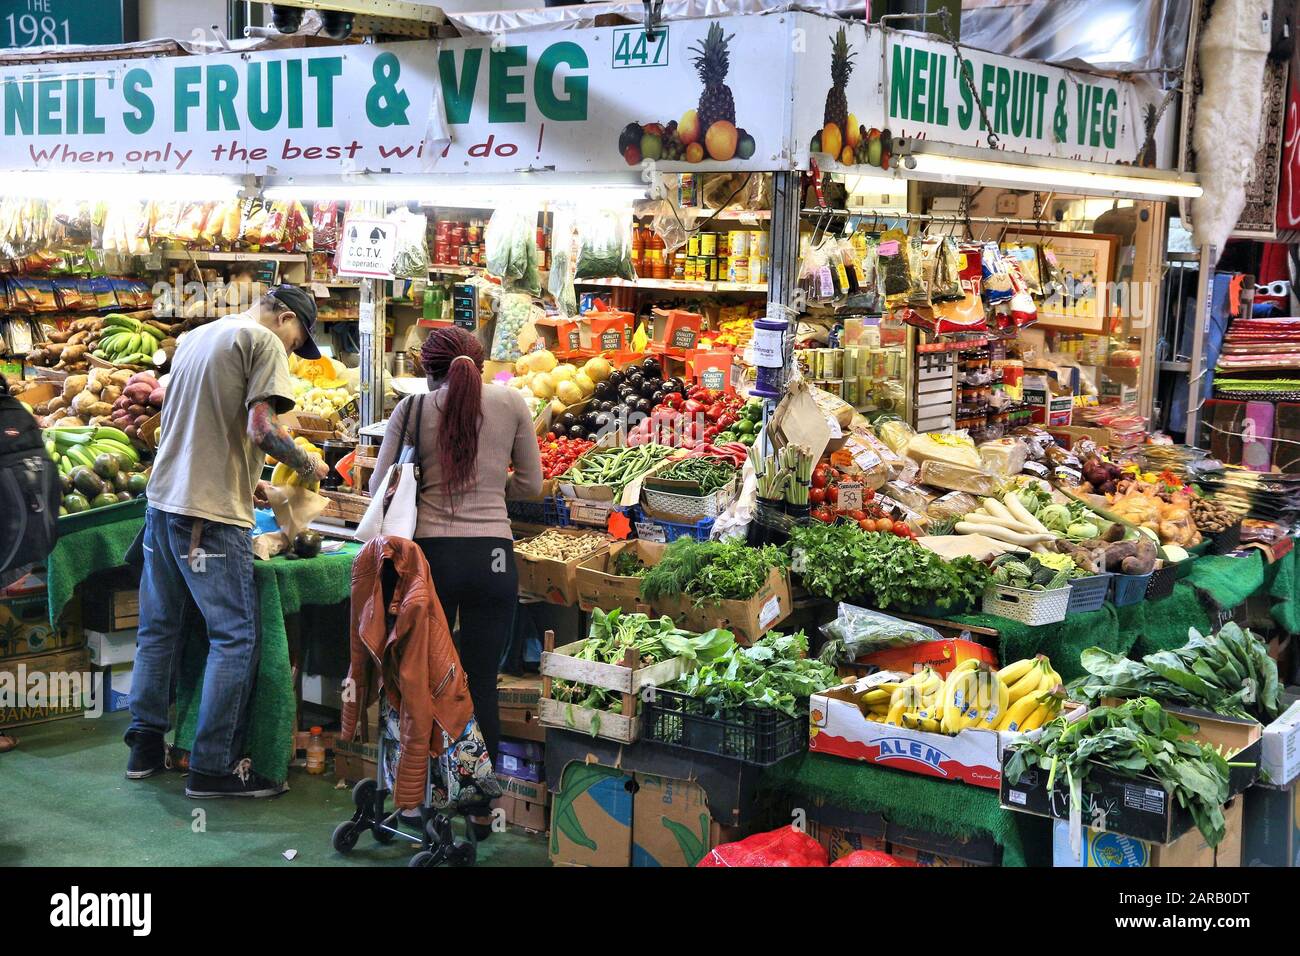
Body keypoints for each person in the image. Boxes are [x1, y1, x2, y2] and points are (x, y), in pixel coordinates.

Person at [127, 286, 328, 798]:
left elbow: (201, 424)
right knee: (234, 638)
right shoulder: (260, 340)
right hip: (208, 518)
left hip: (162, 504)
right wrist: (308, 464)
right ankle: (212, 768)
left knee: (158, 629)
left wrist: (247, 479)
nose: (289, 352)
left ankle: (144, 747)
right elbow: (263, 429)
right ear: (284, 318)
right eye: (296, 340)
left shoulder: (197, 336)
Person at [370, 327, 542, 773]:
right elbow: (531, 486)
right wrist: (489, 485)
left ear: (430, 373)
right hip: (494, 559)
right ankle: (481, 801)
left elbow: (378, 486)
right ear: (480, 366)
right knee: (481, 681)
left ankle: (425, 791)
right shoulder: (513, 403)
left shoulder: (413, 408)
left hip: (432, 560)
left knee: (426, 679)